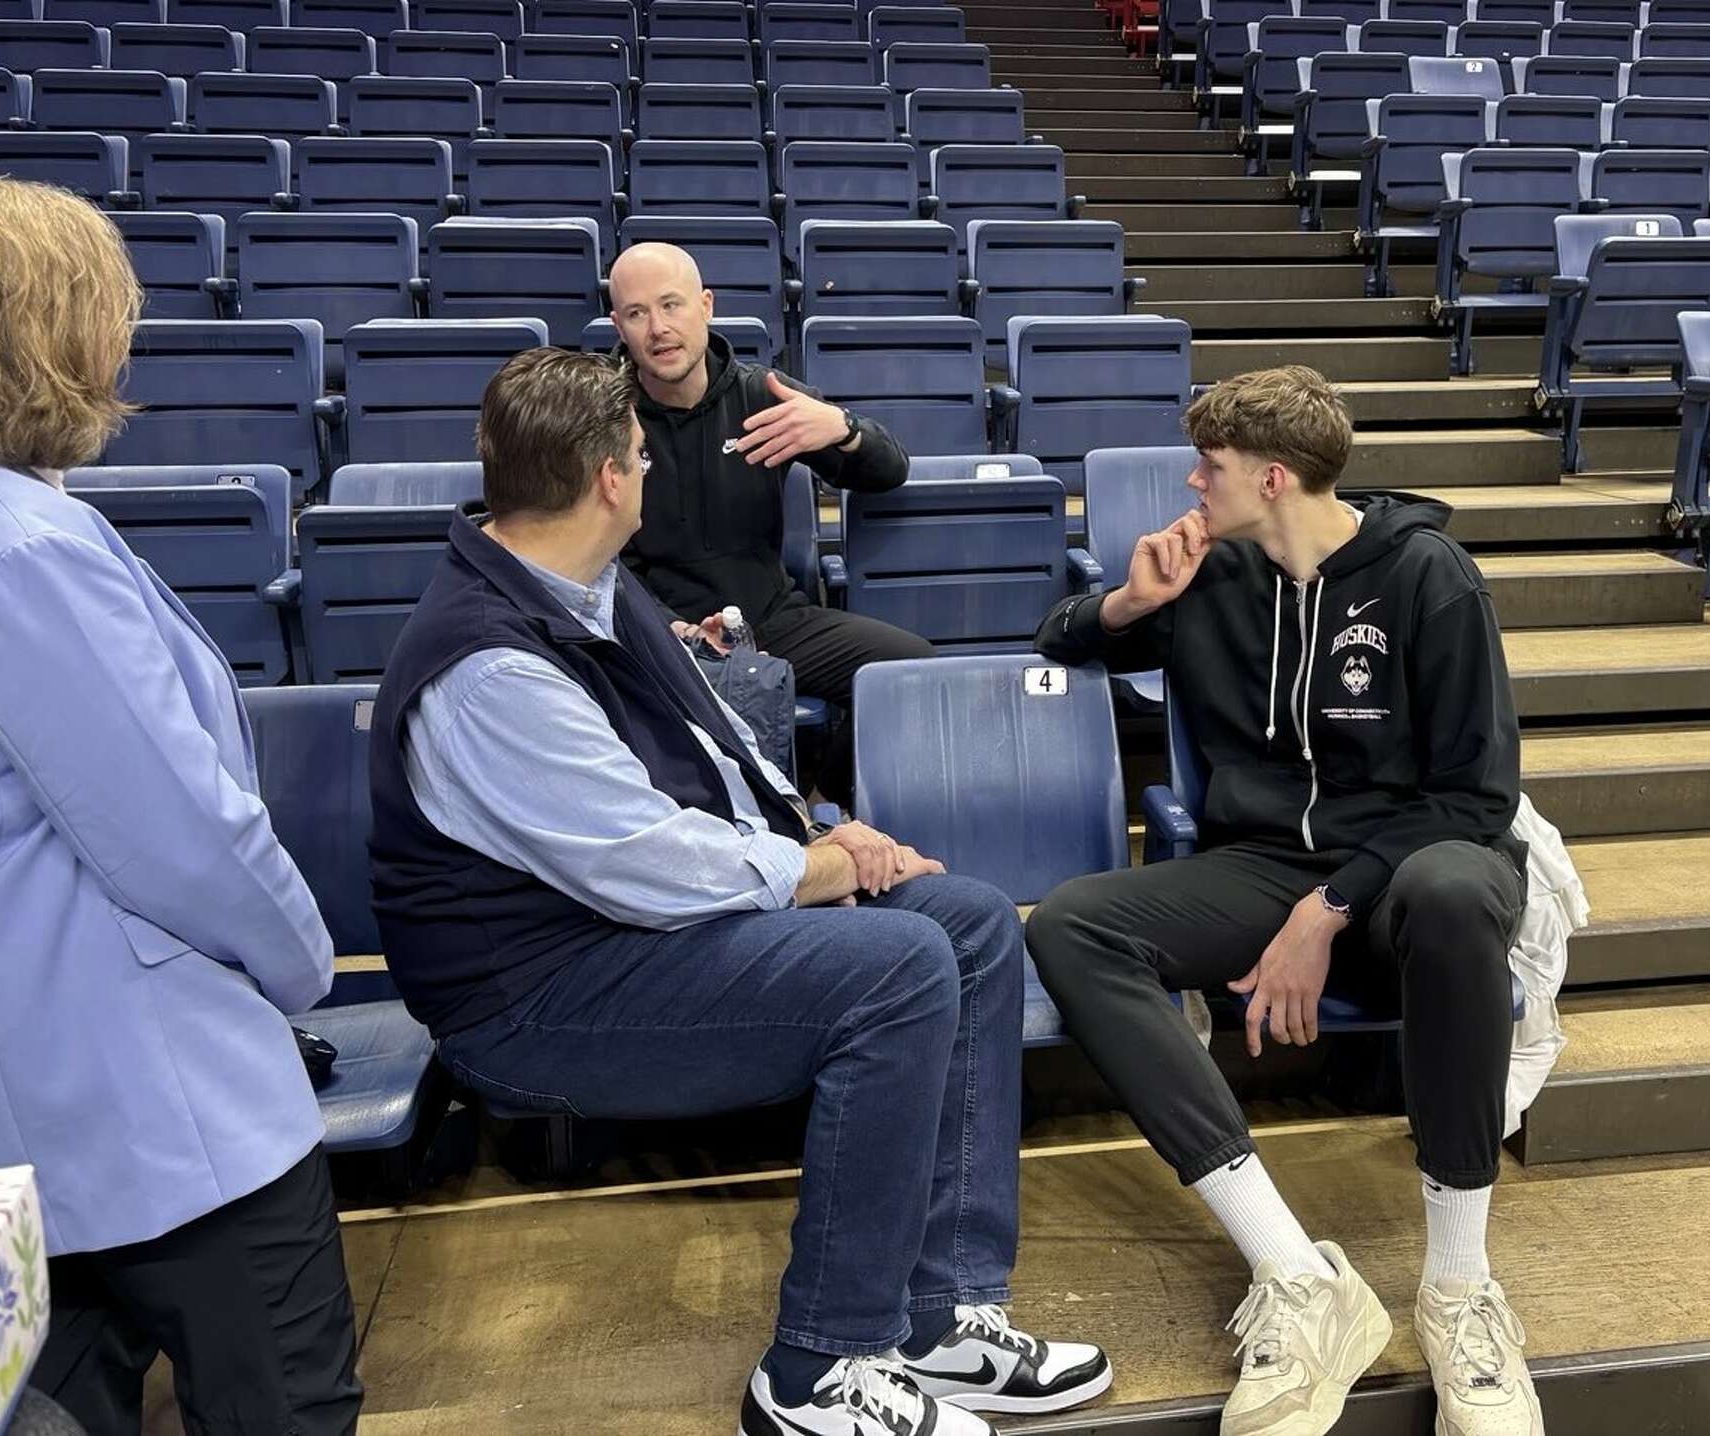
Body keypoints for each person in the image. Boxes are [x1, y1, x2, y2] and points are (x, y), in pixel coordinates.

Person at [367, 347, 1111, 1436]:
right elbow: (646, 864)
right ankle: (818, 1365)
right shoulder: (490, 665)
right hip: (531, 995)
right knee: (900, 968)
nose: (646, 469)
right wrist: (824, 871)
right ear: (610, 479)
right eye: (638, 455)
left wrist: (816, 830)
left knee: (972, 923)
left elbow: (716, 749)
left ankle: (940, 1315)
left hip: (617, 938)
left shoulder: (585, 582)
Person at [1024, 367, 1543, 1436]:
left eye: (1208, 467)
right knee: (1075, 923)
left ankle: (1460, 1289)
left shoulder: (1428, 576)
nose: (1191, 483)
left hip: (1413, 862)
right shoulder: (1212, 574)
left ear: (1271, 478)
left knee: (1453, 891)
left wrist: (1331, 907)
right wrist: (1131, 602)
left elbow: (1476, 797)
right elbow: (1059, 638)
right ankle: (1298, 1273)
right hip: (1263, 865)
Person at [0, 178, 362, 1435]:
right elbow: (183, 834)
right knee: (287, 1409)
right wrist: (302, 962)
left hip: (39, 1106)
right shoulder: (28, 550)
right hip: (154, 1098)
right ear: (57, 330)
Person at [605, 241, 935, 803]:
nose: (659, 328)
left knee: (910, 670)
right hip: (658, 635)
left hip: (768, 621)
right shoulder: (604, 413)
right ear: (618, 325)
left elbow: (890, 470)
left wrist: (844, 428)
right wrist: (669, 628)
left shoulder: (765, 395)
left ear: (705, 306)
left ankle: (825, 798)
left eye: (671, 305)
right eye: (637, 313)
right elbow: (588, 558)